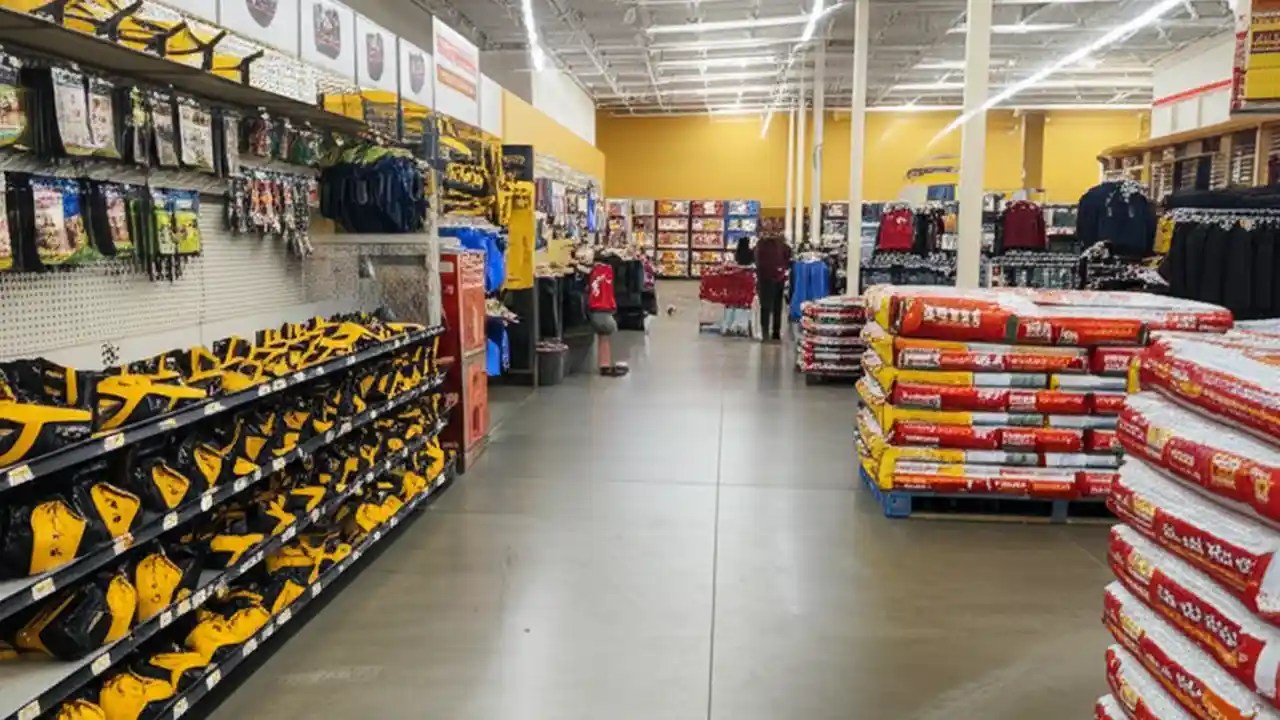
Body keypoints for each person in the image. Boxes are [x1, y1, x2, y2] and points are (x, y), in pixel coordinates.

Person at [588, 255, 629, 377]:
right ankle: (605, 366)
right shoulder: (609, 273)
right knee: (605, 334)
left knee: (603, 336)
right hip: (604, 308)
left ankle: (604, 366)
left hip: (595, 308)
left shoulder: (594, 272)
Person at [753, 233, 791, 342]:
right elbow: (788, 258)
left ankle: (765, 333)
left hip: (764, 279)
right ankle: (776, 332)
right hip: (779, 279)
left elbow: (756, 260)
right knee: (777, 307)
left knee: (765, 307)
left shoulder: (760, 245)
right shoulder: (782, 246)